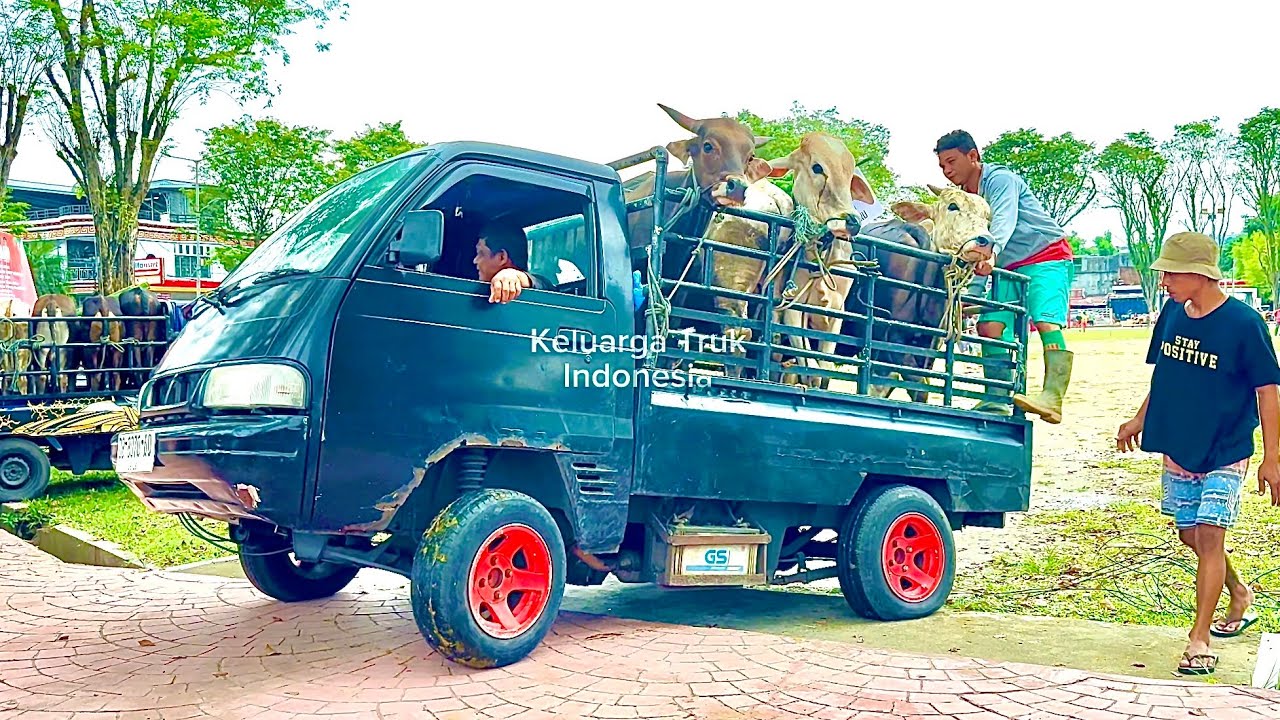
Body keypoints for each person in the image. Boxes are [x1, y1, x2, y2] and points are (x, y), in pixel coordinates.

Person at [1116, 231, 1280, 676]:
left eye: (1171, 273)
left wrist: (1272, 457)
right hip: (1179, 442)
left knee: (1210, 535)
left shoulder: (1244, 324)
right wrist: (1138, 419)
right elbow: (1164, 376)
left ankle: (1199, 638)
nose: (1164, 281)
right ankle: (1239, 591)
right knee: (1190, 535)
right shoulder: (1171, 313)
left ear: (1200, 274)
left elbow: (1268, 390)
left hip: (1226, 445)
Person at [929, 130, 1075, 423]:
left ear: (973, 156)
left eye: (952, 162)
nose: (947, 171)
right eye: (942, 166)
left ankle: (1052, 397)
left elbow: (1004, 221)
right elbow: (969, 244)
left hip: (1045, 255)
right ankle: (996, 398)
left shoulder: (999, 180)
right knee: (990, 326)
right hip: (1007, 265)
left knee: (1045, 320)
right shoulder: (966, 198)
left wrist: (991, 253)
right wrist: (969, 293)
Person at [472, 221, 551, 304]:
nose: (475, 260)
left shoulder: (541, 290)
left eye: (481, 253)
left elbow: (546, 287)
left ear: (502, 257)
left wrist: (515, 277)